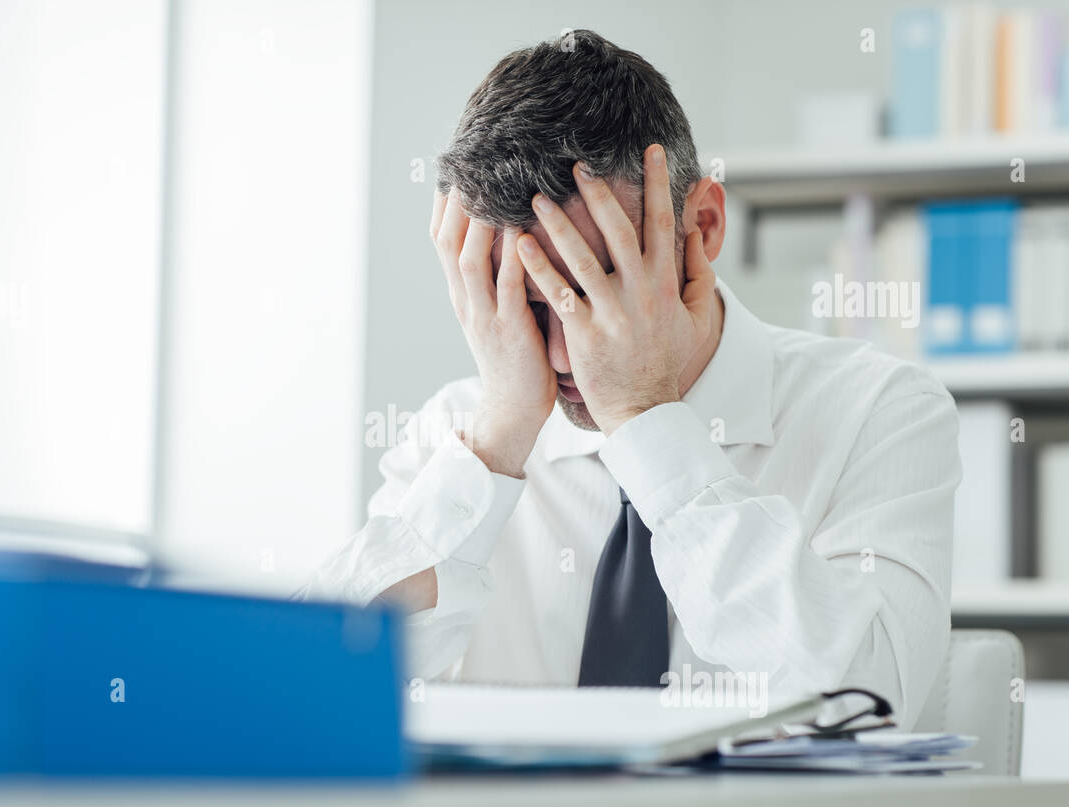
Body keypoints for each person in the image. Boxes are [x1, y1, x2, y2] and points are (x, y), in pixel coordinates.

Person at [300, 29, 960, 727]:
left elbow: (871, 707)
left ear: (701, 227)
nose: (559, 357)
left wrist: (646, 421)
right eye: (525, 303)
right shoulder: (457, 433)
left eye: (590, 292)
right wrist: (492, 448)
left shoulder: (879, 409)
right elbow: (297, 700)